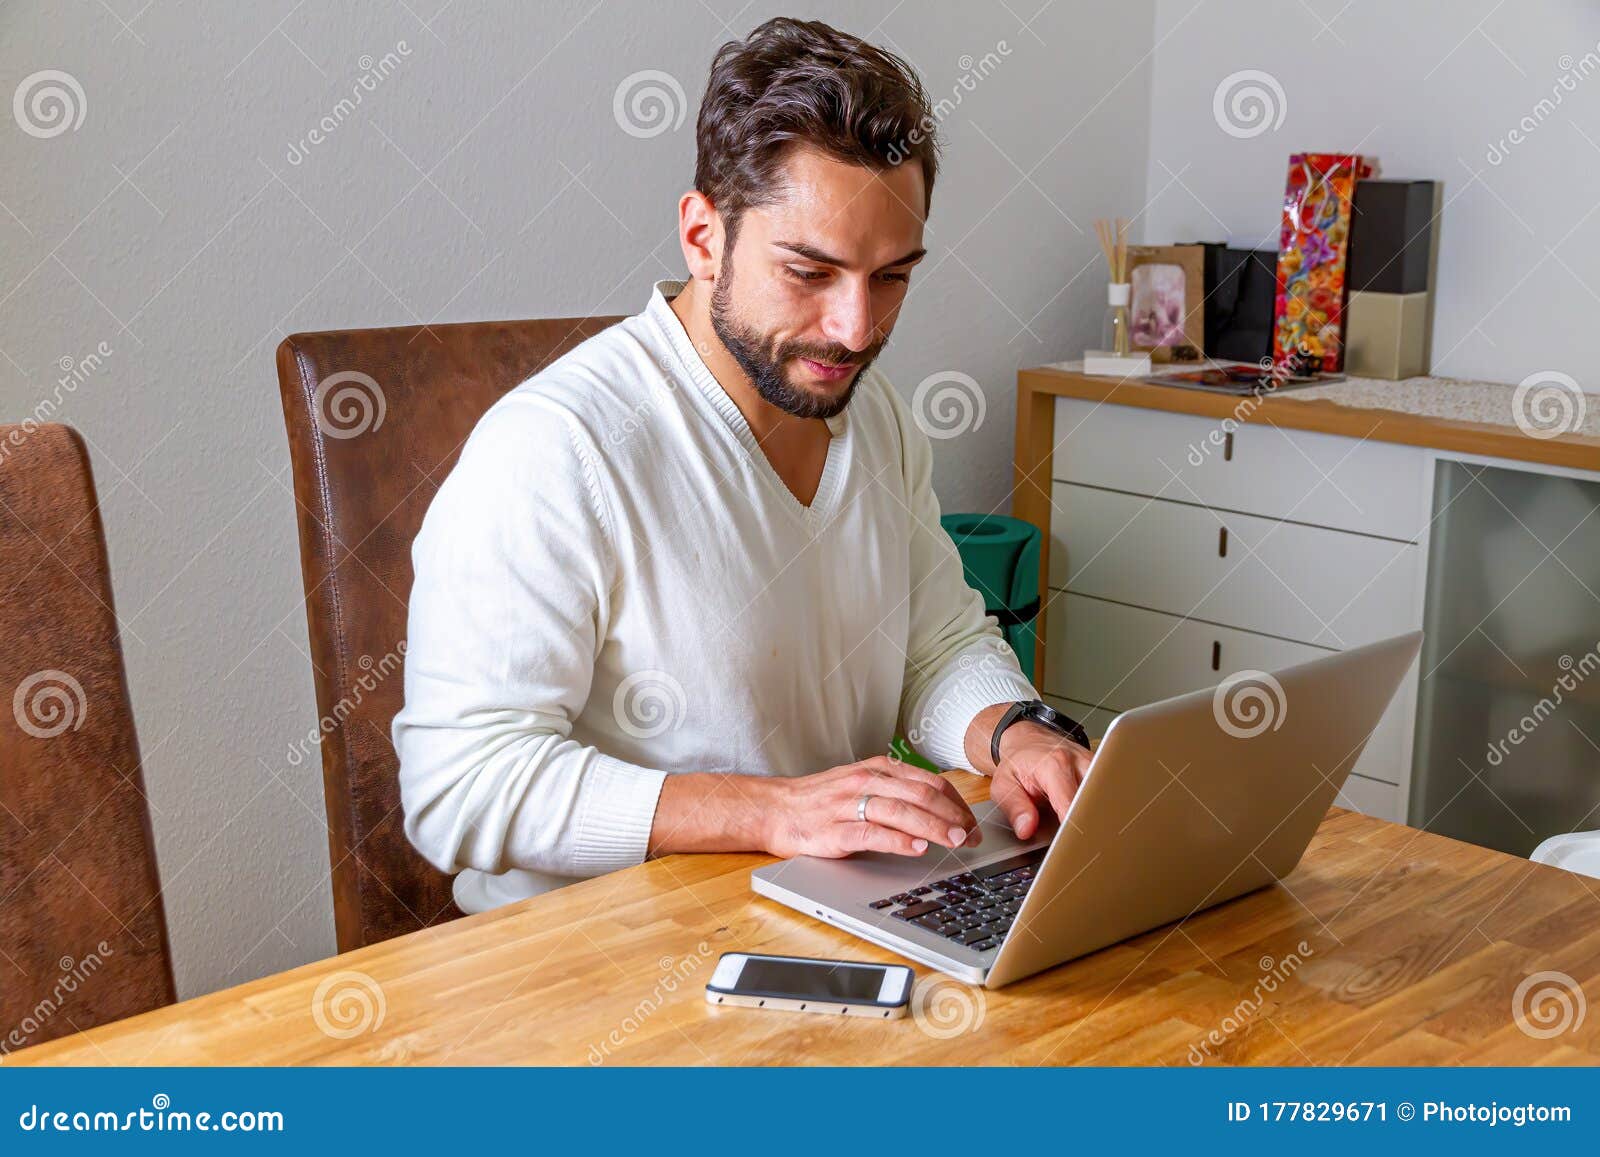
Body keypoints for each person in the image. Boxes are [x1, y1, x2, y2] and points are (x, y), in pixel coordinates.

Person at [393, 17, 1091, 915]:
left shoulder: (876, 417)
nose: (856, 329)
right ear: (703, 237)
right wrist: (772, 810)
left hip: (816, 911)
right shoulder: (553, 448)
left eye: (891, 277)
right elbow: (460, 785)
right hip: (593, 954)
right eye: (810, 272)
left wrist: (1015, 733)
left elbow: (937, 646)